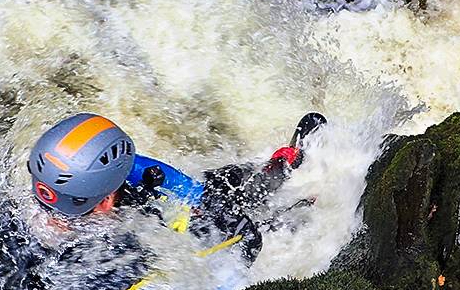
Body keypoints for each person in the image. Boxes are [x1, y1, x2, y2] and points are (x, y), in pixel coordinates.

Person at [27, 112, 327, 261]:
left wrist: (234, 230)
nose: (55, 219)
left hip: (183, 205)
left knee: (238, 197)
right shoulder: (57, 191)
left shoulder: (149, 181)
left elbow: (197, 199)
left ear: (106, 200)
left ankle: (288, 162)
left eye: (74, 214)